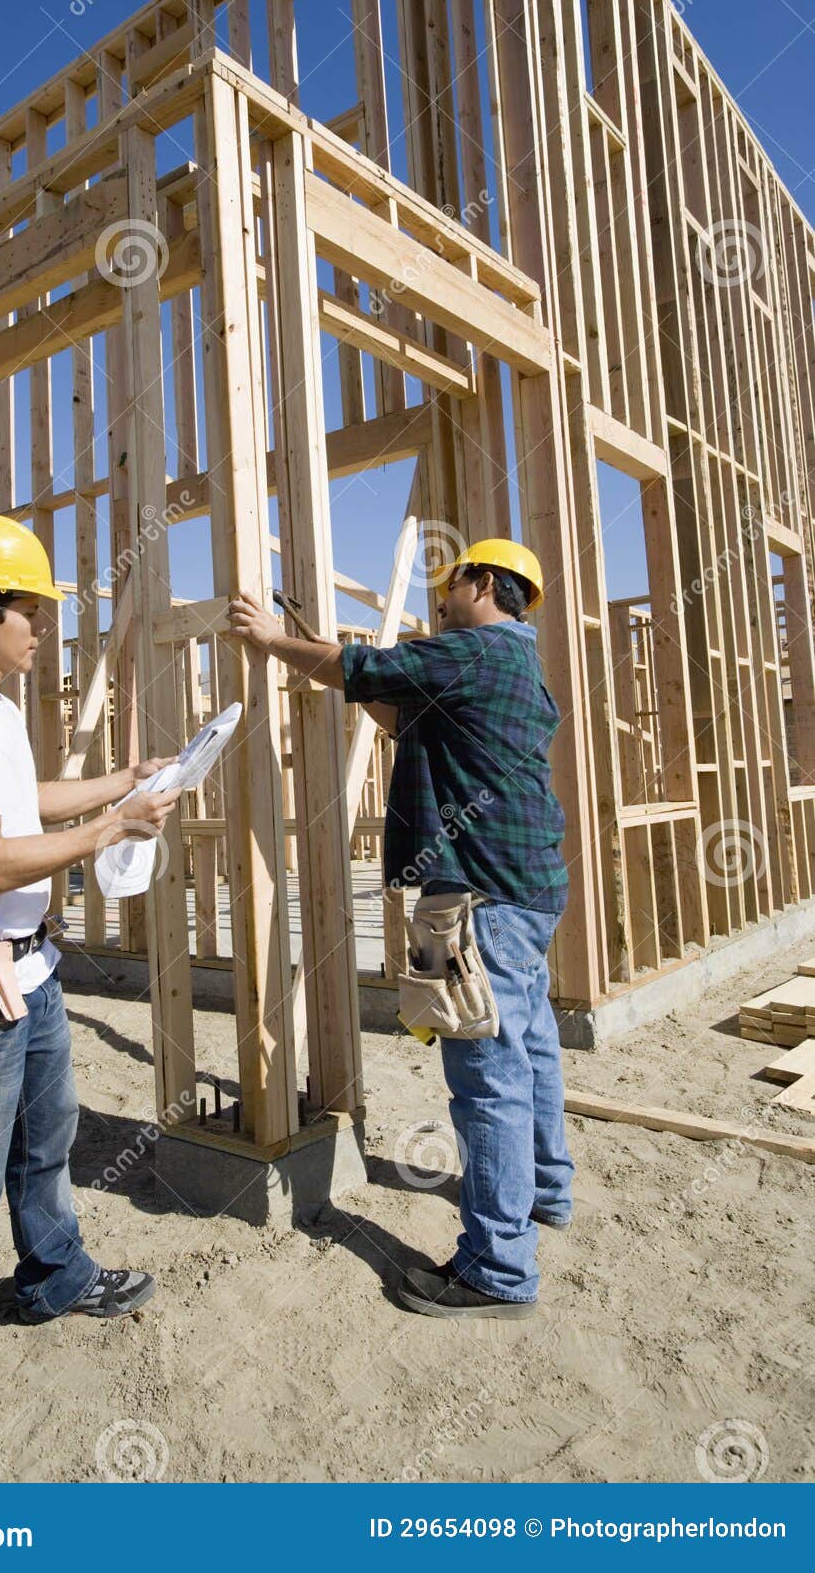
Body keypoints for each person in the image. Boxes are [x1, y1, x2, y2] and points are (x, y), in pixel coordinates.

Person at [0, 514, 179, 1480]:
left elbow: (24, 802)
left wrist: (115, 787)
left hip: (34, 972)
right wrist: (111, 832)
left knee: (45, 1144)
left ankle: (55, 1276)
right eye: (29, 610)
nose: (41, 627)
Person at [227, 539, 572, 1322]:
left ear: (483, 584)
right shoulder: (512, 662)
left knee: (488, 1080)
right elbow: (395, 709)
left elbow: (370, 671)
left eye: (450, 585)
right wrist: (324, 662)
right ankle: (545, 1190)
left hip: (484, 898)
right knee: (530, 1047)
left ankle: (497, 1271)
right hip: (527, 892)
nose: (440, 599)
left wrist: (272, 641)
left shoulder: (473, 651)